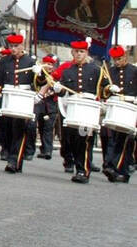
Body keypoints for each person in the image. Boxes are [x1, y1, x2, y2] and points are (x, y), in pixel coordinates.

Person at [54, 40, 106, 183]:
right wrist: (58, 89)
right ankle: (79, 167)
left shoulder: (96, 70)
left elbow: (105, 88)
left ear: (86, 53)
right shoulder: (68, 71)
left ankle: (83, 171)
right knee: (74, 141)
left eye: (81, 52)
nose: (78, 54)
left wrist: (109, 90)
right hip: (73, 111)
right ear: (72, 53)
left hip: (88, 111)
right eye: (76, 51)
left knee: (85, 141)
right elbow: (62, 92)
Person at [0, 33, 37, 172]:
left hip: (23, 99)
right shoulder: (4, 62)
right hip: (7, 98)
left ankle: (14, 160)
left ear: (22, 46)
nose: (14, 49)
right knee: (5, 130)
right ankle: (11, 154)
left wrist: (38, 74)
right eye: (11, 46)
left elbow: (38, 83)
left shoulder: (30, 62)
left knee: (20, 130)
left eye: (16, 46)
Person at [102, 46, 134, 182]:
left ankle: (119, 169)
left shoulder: (134, 71)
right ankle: (114, 168)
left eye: (119, 59)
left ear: (125, 56)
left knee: (125, 140)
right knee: (113, 138)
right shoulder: (110, 72)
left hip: (130, 107)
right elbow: (103, 89)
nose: (117, 62)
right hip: (115, 107)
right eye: (115, 59)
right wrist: (109, 88)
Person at [33, 55, 61, 162]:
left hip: (51, 105)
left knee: (48, 128)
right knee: (40, 126)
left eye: (51, 64)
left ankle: (48, 150)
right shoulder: (39, 75)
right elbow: (38, 84)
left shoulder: (56, 76)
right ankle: (43, 149)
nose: (49, 66)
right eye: (47, 64)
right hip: (40, 104)